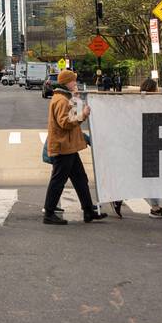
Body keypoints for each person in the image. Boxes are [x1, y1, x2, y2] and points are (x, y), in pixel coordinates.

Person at [43, 68, 106, 225]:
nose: (75, 83)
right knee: (58, 181)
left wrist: (77, 100)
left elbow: (72, 117)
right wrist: (83, 114)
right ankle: (49, 213)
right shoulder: (60, 100)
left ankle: (88, 211)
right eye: (73, 80)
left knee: (80, 179)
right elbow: (66, 122)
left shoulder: (65, 98)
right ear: (67, 82)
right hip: (63, 147)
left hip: (69, 147)